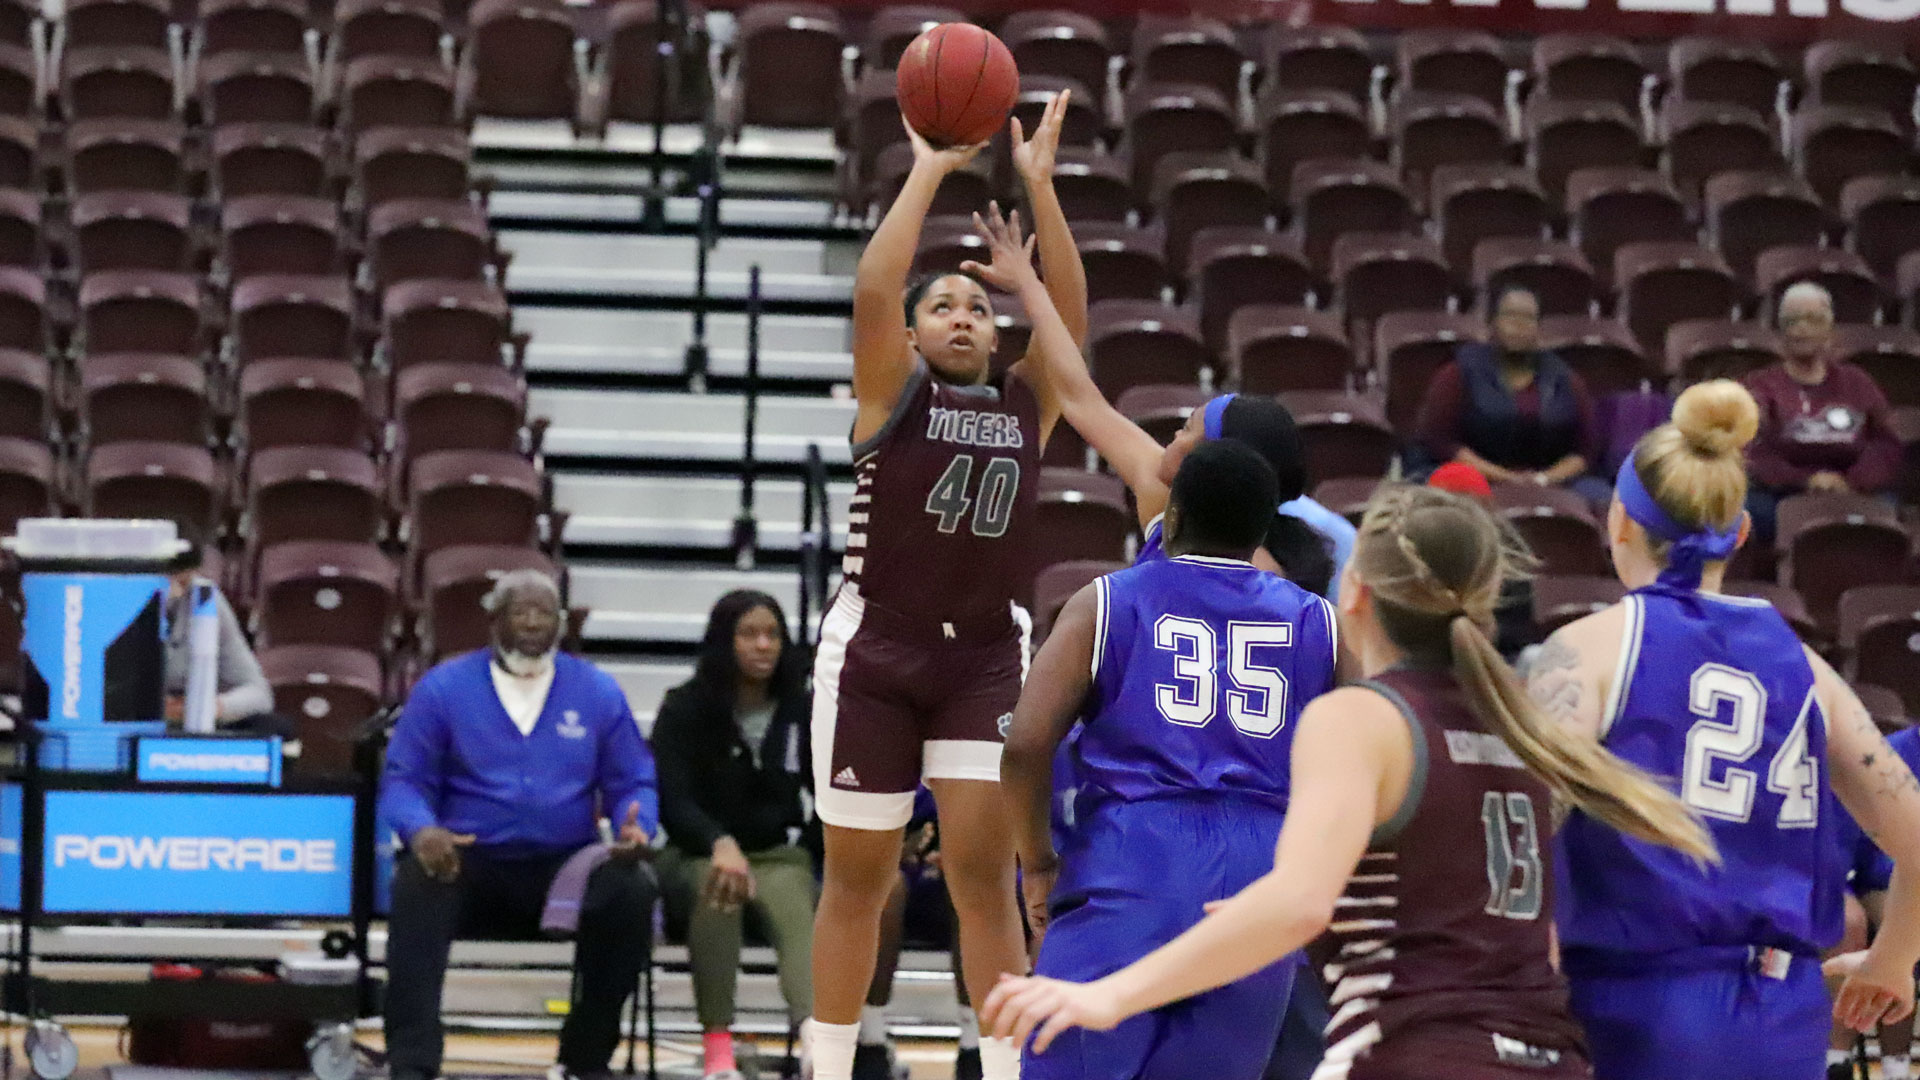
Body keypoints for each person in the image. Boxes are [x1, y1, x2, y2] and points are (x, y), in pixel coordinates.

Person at [981, 484, 1715, 1079]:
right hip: (1546, 1055)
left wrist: (1111, 995)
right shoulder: (1524, 727)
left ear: (1356, 590)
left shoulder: (1367, 722)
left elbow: (1297, 904)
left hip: (1416, 1051)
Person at [1522, 380, 1920, 1080]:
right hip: (1782, 1012)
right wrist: (1894, 962)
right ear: (1739, 534)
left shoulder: (1587, 652)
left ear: (1617, 521)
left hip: (1637, 1005)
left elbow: (1518, 831)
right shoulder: (1806, 666)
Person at [807, 92, 1084, 1080]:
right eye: (945, 308)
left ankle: (1005, 1070)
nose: (963, 317)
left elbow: (1073, 320)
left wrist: (1041, 194)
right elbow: (877, 286)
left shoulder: (1025, 404)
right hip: (875, 654)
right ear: (917, 335)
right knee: (858, 879)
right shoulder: (891, 393)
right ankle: (829, 1066)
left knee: (982, 879)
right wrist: (930, 166)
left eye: (977, 307)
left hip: (978, 661)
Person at [999, 439, 1340, 1080]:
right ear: (1262, 527)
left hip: (1134, 850)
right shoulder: (1320, 621)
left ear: (1173, 517)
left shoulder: (1107, 599)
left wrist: (1038, 861)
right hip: (1258, 872)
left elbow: (1023, 746)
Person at [380, 569, 659, 1080]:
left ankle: (586, 1057)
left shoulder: (596, 690)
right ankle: (413, 1061)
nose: (532, 623)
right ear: (493, 621)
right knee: (415, 882)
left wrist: (634, 827)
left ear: (561, 622)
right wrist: (422, 831)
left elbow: (633, 781)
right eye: (519, 612)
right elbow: (403, 781)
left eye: (543, 613)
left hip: (565, 866)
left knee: (630, 890)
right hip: (468, 859)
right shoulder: (443, 687)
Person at [1007, 226, 1348, 597]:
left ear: (1216, 464)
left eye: (1187, 430)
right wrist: (1030, 286)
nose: (1173, 435)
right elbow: (1079, 397)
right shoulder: (1163, 504)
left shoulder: (1271, 583)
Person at [651, 590, 815, 1080]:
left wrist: (809, 848)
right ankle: (718, 1046)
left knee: (793, 895)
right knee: (718, 891)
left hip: (773, 855)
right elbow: (674, 800)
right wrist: (717, 842)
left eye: (773, 635)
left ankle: (814, 1038)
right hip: (696, 852)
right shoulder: (684, 707)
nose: (764, 645)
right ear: (724, 641)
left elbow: (830, 790)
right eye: (749, 634)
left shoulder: (802, 709)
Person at [1415, 284, 1608, 508]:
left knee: (1600, 496)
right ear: (1493, 322)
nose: (1519, 325)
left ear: (1539, 328)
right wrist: (1507, 479)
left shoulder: (1565, 378)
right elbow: (1442, 442)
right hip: (1478, 478)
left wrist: (1543, 479)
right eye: (1510, 316)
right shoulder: (1459, 372)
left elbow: (1586, 450)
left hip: (1551, 482)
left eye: (1528, 318)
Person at [1741, 280, 1902, 545]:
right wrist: (1806, 480)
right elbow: (1754, 449)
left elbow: (1886, 443)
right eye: (1791, 321)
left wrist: (1851, 481)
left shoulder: (1856, 382)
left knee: (1887, 511)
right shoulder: (1760, 385)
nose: (1801, 329)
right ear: (1780, 332)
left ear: (1829, 330)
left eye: (1813, 320)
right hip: (1782, 493)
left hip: (1853, 489)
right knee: (1750, 511)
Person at [1427, 462, 1539, 661]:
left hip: (1498, 658)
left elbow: (1518, 632)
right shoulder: (1414, 551)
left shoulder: (1510, 551)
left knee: (1533, 657)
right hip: (1430, 661)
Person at [162, 541, 277, 732]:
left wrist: (216, 707)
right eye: (167, 582)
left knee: (274, 727)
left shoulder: (205, 599)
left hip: (191, 712)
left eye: (184, 583)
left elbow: (260, 694)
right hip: (139, 715)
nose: (175, 593)